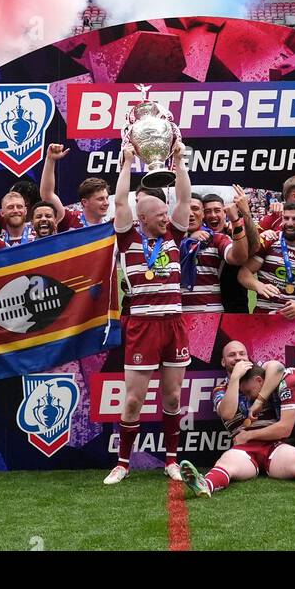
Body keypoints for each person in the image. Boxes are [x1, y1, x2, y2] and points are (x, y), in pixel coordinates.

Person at [104, 140, 192, 486]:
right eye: (159, 216)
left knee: (172, 397)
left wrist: (180, 161)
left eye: (165, 216)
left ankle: (171, 460)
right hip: (142, 325)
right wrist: (126, 163)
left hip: (174, 324)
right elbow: (121, 201)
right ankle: (123, 463)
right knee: (132, 401)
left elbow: (184, 198)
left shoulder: (173, 235)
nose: (165, 219)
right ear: (142, 219)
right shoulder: (126, 239)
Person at [180, 341, 295, 498]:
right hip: (244, 449)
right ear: (223, 362)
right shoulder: (220, 389)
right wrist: (234, 378)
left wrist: (259, 400)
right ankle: (205, 485)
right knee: (226, 464)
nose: (238, 358)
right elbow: (227, 413)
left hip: (274, 445)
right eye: (231, 355)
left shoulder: (264, 378)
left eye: (242, 353)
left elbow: (277, 367)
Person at [239, 200, 295, 318]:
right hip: (264, 317)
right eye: (286, 218)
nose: (289, 223)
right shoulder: (269, 240)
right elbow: (243, 273)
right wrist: (258, 285)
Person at [180, 190, 250, 313]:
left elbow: (239, 258)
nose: (190, 213)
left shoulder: (217, 238)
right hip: (177, 316)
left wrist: (235, 221)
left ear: (202, 214)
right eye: (185, 208)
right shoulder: (169, 240)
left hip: (211, 315)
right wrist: (188, 239)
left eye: (195, 208)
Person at [202, 191, 259, 312]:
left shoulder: (237, 235)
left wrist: (246, 212)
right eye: (207, 211)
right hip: (207, 308)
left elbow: (254, 247)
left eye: (217, 210)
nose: (212, 215)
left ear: (224, 213)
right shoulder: (195, 239)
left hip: (235, 309)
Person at [39, 143, 111, 230]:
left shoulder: (109, 227)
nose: (106, 203)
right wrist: (50, 159)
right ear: (85, 202)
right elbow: (47, 194)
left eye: (106, 198)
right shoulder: (69, 219)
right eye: (100, 199)